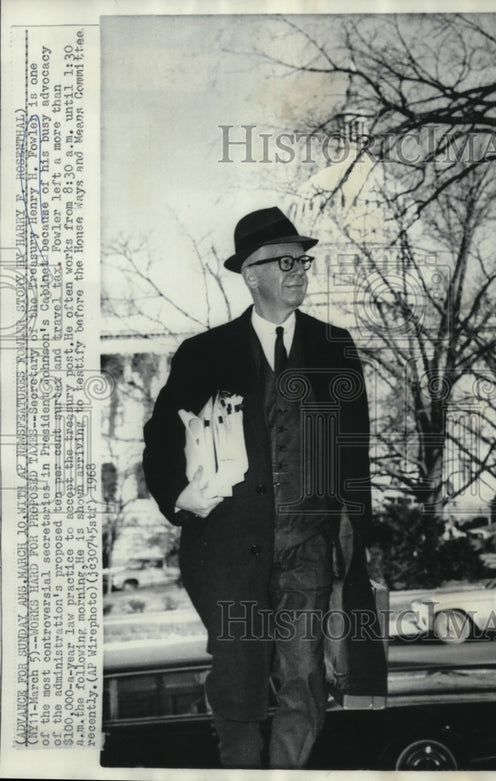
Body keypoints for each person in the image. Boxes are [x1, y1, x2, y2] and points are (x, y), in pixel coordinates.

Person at [143, 206, 387, 769]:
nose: (299, 270)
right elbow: (160, 437)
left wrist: (353, 545)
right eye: (285, 261)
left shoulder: (335, 347)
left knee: (305, 680)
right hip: (229, 550)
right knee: (239, 687)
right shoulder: (206, 353)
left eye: (303, 260)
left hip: (308, 546)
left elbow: (353, 454)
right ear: (251, 274)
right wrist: (181, 495)